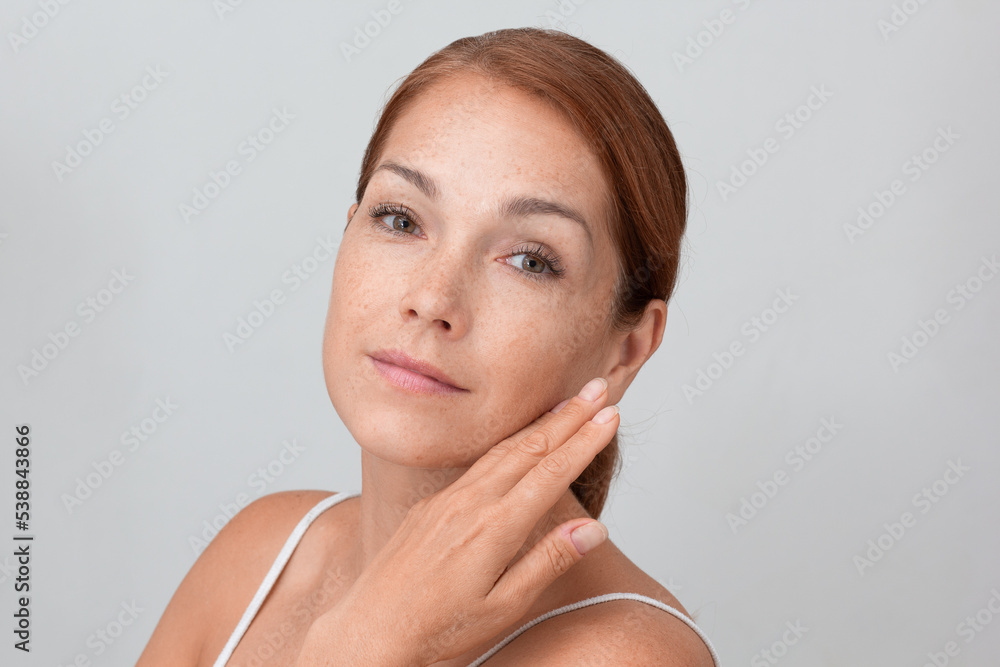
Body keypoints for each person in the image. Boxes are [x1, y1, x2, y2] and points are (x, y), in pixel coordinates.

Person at [137, 27, 721, 666]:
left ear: (628, 348)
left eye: (529, 260)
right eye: (400, 219)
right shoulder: (265, 552)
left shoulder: (622, 657)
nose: (433, 298)